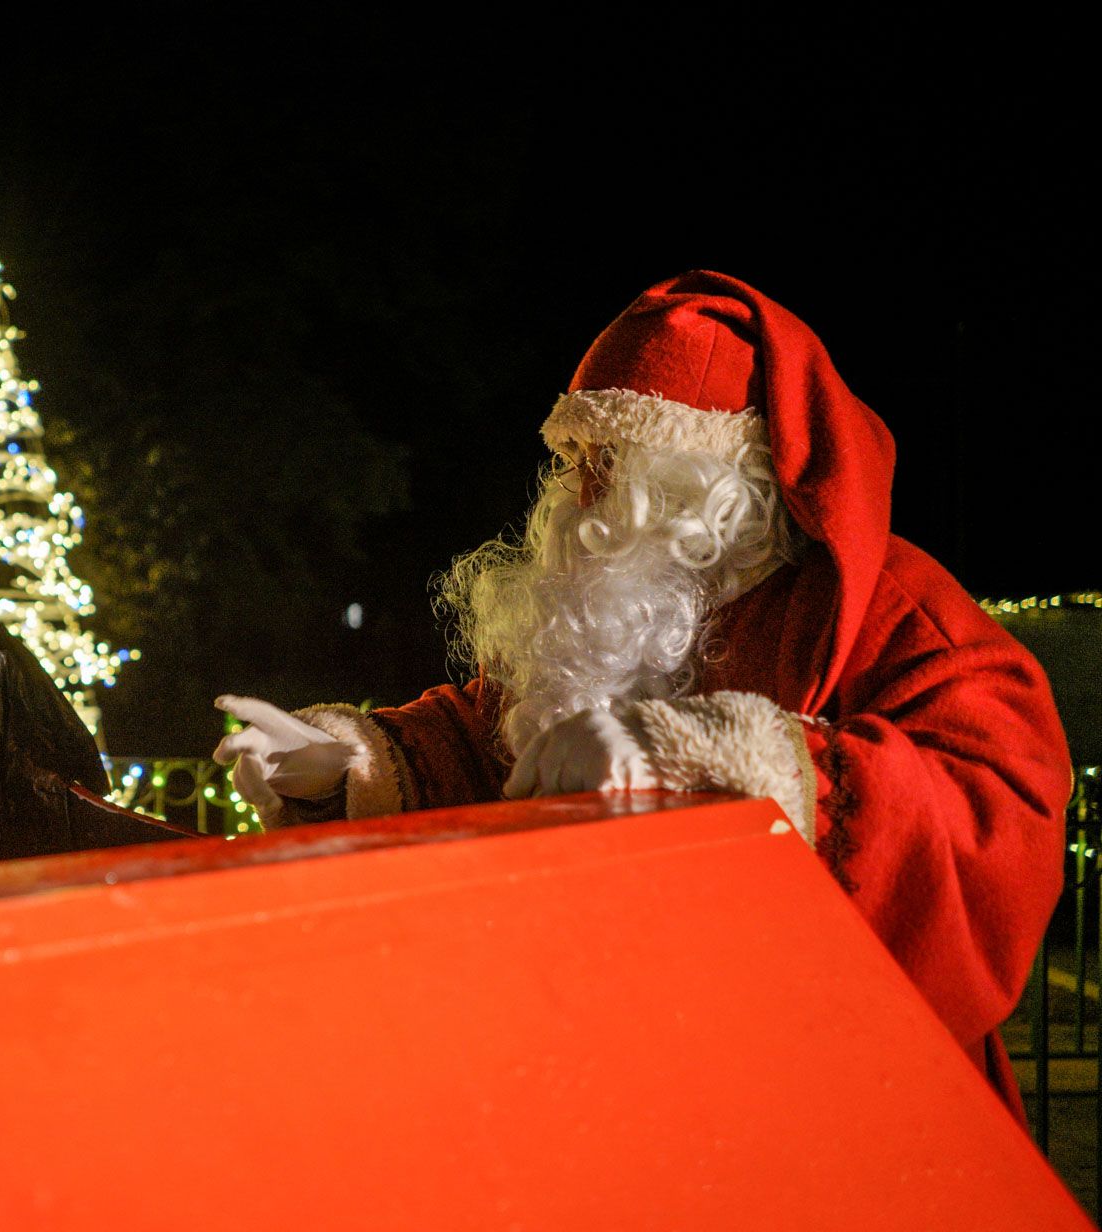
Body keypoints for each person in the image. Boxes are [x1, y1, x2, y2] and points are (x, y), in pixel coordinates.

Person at [214, 271, 1069, 1113]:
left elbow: (1001, 808)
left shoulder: (893, 606)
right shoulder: (616, 607)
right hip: (641, 1075)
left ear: (714, 482)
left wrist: (725, 762)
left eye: (613, 460)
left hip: (847, 1095)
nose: (577, 495)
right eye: (574, 458)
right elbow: (490, 743)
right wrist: (355, 759)